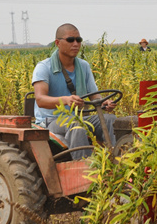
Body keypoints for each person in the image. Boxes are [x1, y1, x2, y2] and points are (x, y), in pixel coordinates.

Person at [32, 23, 117, 160]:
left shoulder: (83, 66)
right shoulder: (44, 67)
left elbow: (95, 96)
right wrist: (65, 100)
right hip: (52, 120)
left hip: (79, 116)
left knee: (110, 120)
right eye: (71, 40)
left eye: (79, 40)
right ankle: (84, 169)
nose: (76, 44)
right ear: (58, 43)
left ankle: (116, 161)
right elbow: (40, 100)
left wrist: (104, 102)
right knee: (76, 124)